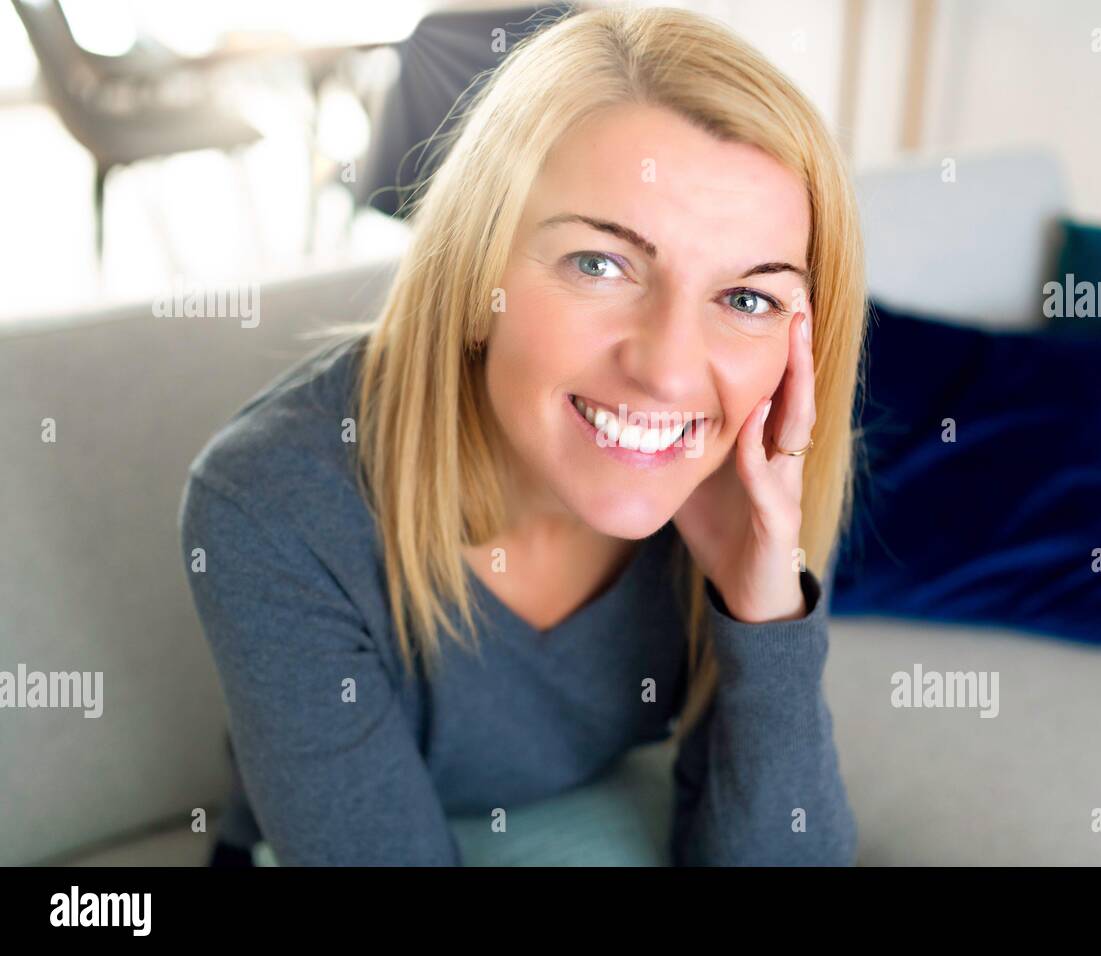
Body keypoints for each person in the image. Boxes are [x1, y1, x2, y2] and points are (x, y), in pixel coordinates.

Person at [180, 4, 865, 866]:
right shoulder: (271, 504)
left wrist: (765, 607)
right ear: (475, 273)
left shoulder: (759, 476)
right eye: (601, 264)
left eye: (747, 298)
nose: (671, 372)